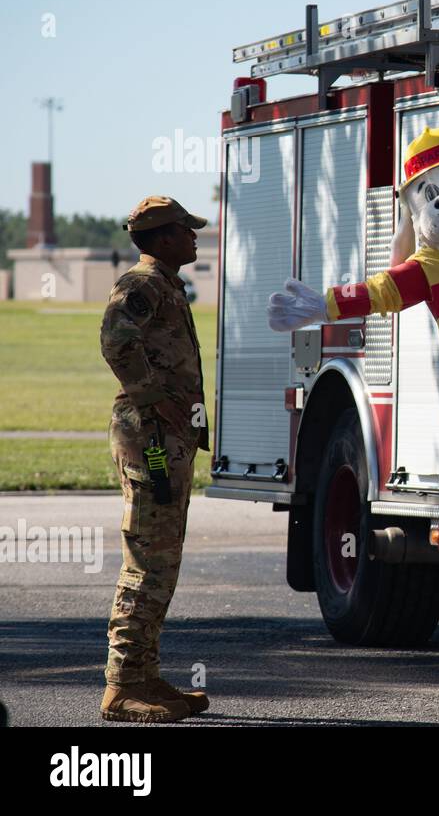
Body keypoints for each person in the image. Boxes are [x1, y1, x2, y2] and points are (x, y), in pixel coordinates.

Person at [98, 196, 211, 723]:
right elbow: (116, 343)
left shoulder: (165, 283)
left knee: (162, 559)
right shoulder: (141, 284)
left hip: (166, 435)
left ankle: (144, 675)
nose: (194, 238)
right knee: (147, 561)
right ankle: (121, 687)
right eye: (186, 231)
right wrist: (154, 400)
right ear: (163, 238)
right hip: (151, 438)